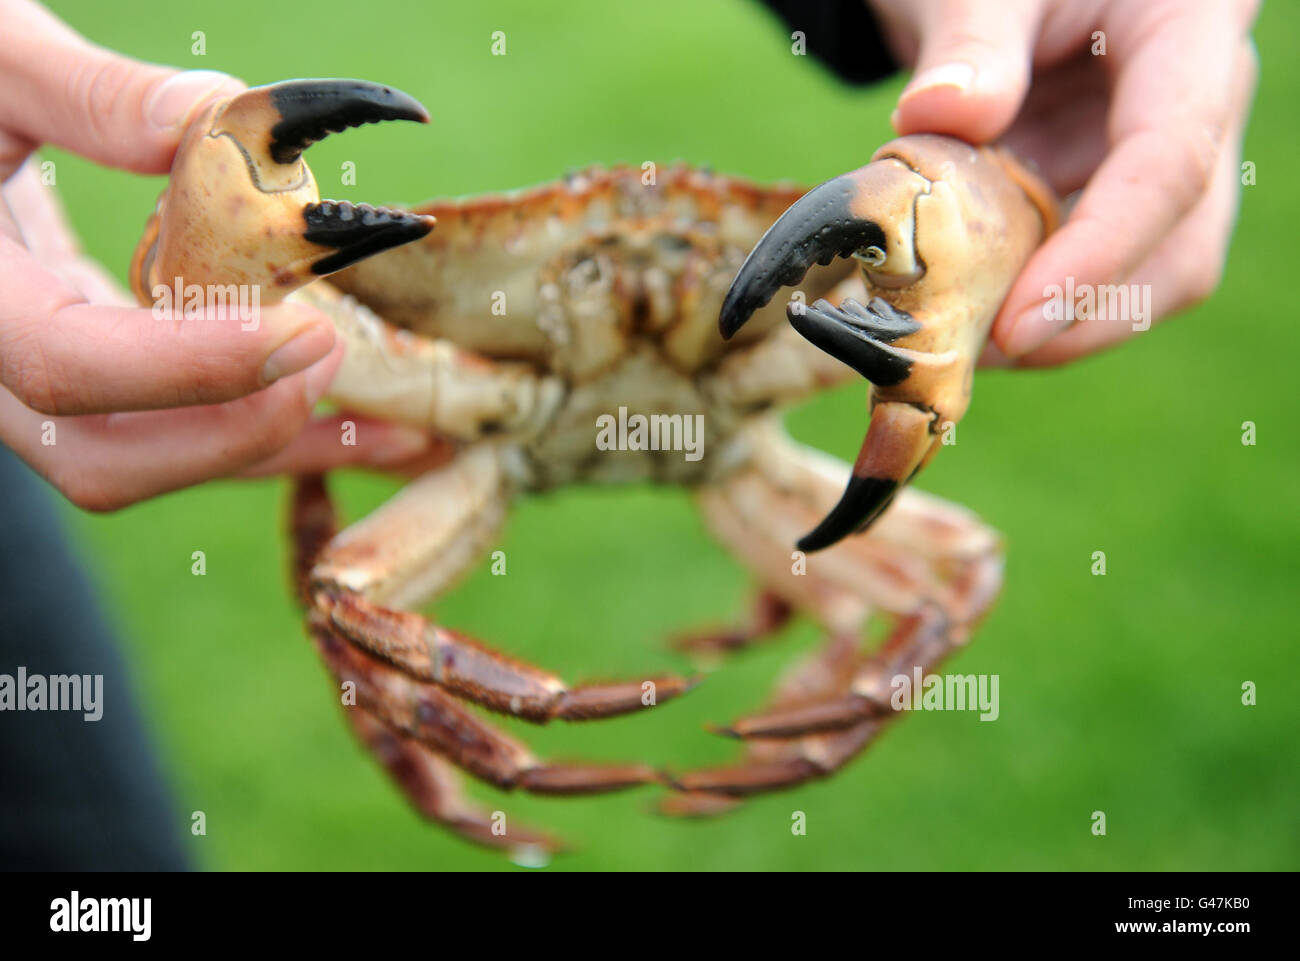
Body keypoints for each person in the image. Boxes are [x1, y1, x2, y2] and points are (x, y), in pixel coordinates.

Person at [0, 0, 1259, 868]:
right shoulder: (394, 348)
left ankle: (805, 713)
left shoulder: (829, 316)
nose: (630, 276)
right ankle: (498, 762)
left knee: (955, 569)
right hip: (482, 411)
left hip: (702, 439)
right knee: (348, 599)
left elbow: (995, 212)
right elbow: (194, 279)